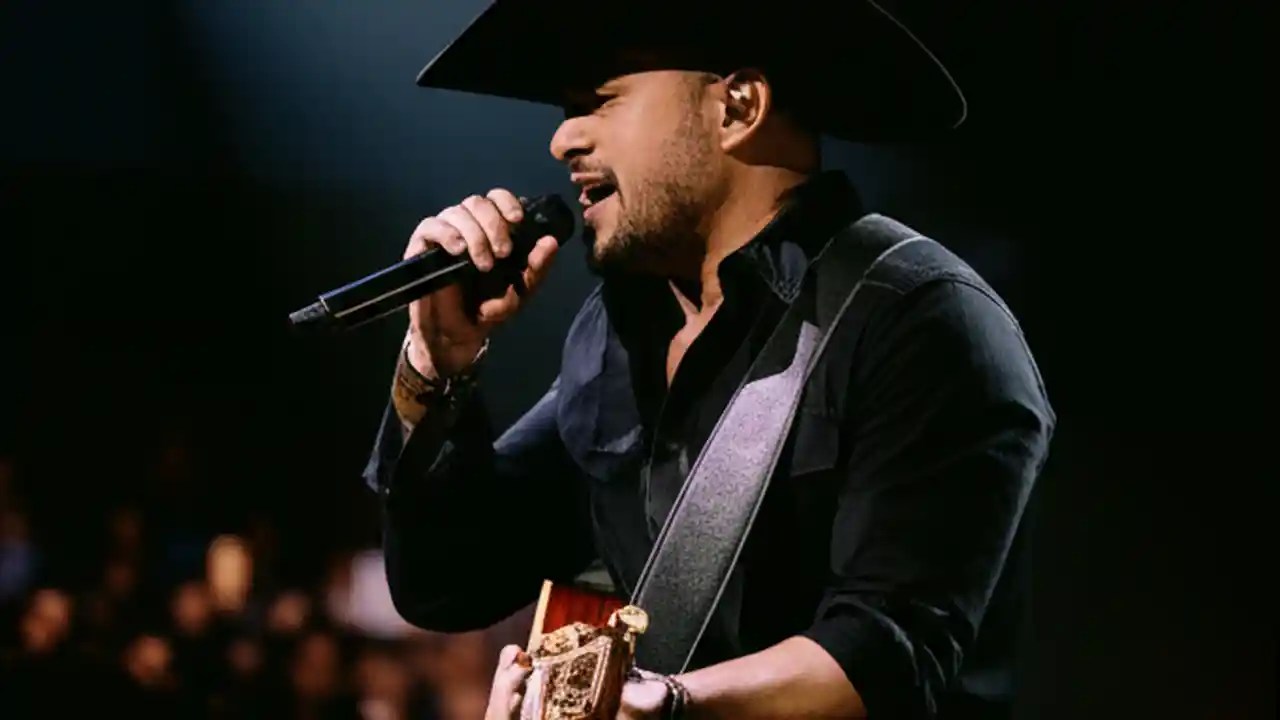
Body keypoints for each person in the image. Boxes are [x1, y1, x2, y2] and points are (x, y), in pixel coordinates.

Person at [361, 1, 1055, 718]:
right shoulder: (616, 335)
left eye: (597, 103)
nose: (561, 141)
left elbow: (889, 651)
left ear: (739, 107)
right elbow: (447, 582)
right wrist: (438, 363)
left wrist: (659, 706)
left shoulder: (923, 321)